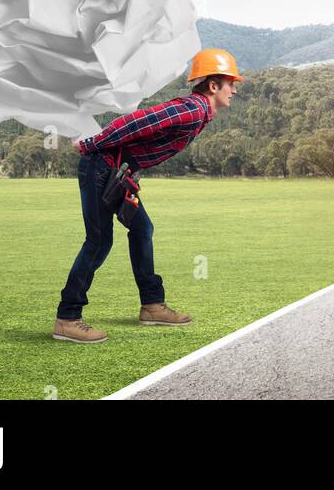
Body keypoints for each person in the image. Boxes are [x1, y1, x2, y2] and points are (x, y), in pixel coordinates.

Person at [51, 48, 243, 344]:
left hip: (115, 171)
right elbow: (136, 123)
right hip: (100, 165)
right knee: (99, 241)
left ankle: (152, 306)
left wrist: (129, 174)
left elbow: (143, 142)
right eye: (231, 82)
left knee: (142, 228)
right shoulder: (192, 109)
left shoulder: (199, 114)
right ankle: (67, 318)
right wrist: (93, 144)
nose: (235, 88)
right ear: (214, 86)